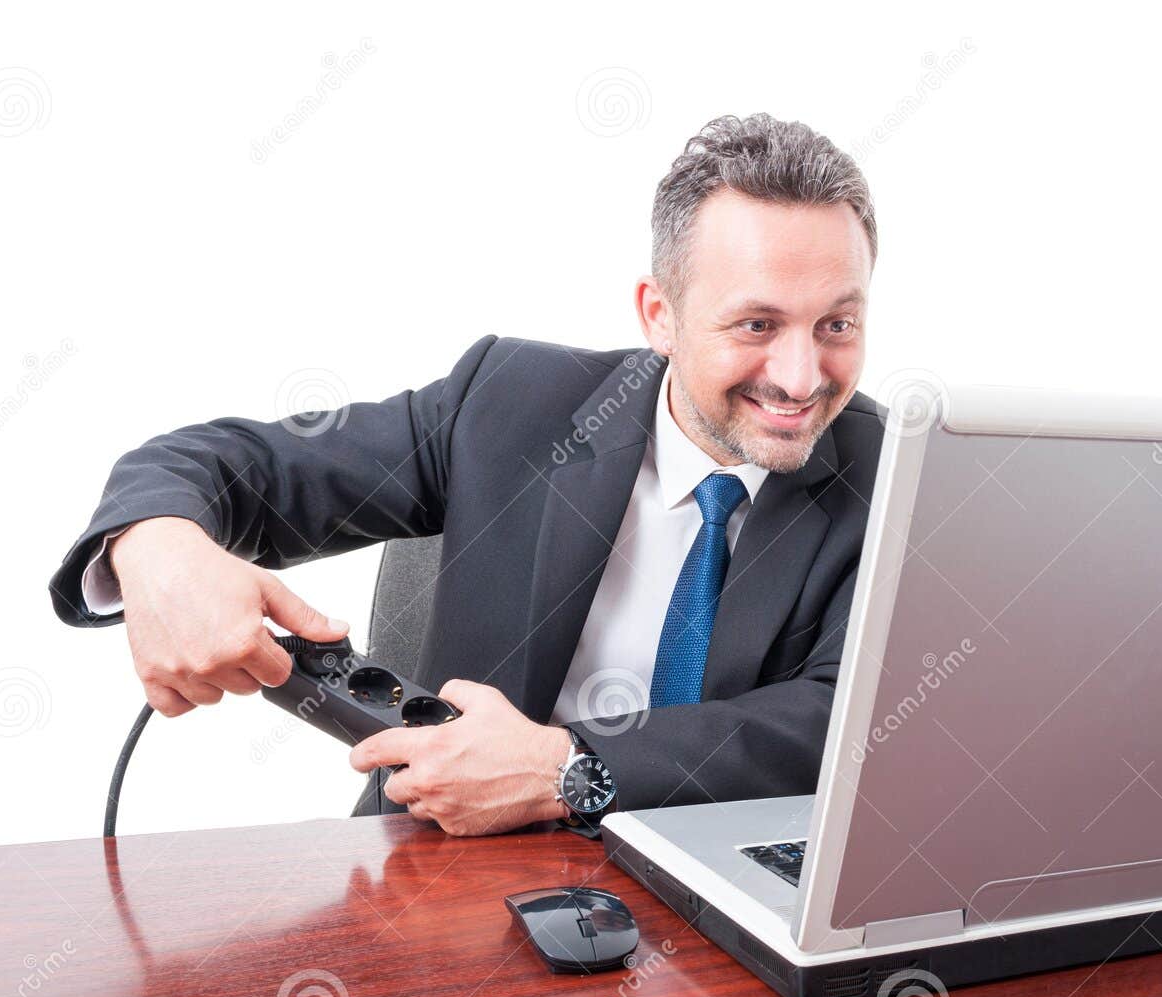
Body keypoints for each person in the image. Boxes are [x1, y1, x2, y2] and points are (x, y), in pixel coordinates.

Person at [50, 113, 886, 837]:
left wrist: (566, 768)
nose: (803, 375)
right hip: (437, 890)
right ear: (659, 315)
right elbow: (244, 468)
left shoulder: (895, 474)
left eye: (837, 323)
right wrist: (155, 541)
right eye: (757, 322)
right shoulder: (512, 402)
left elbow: (842, 724)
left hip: (725, 925)